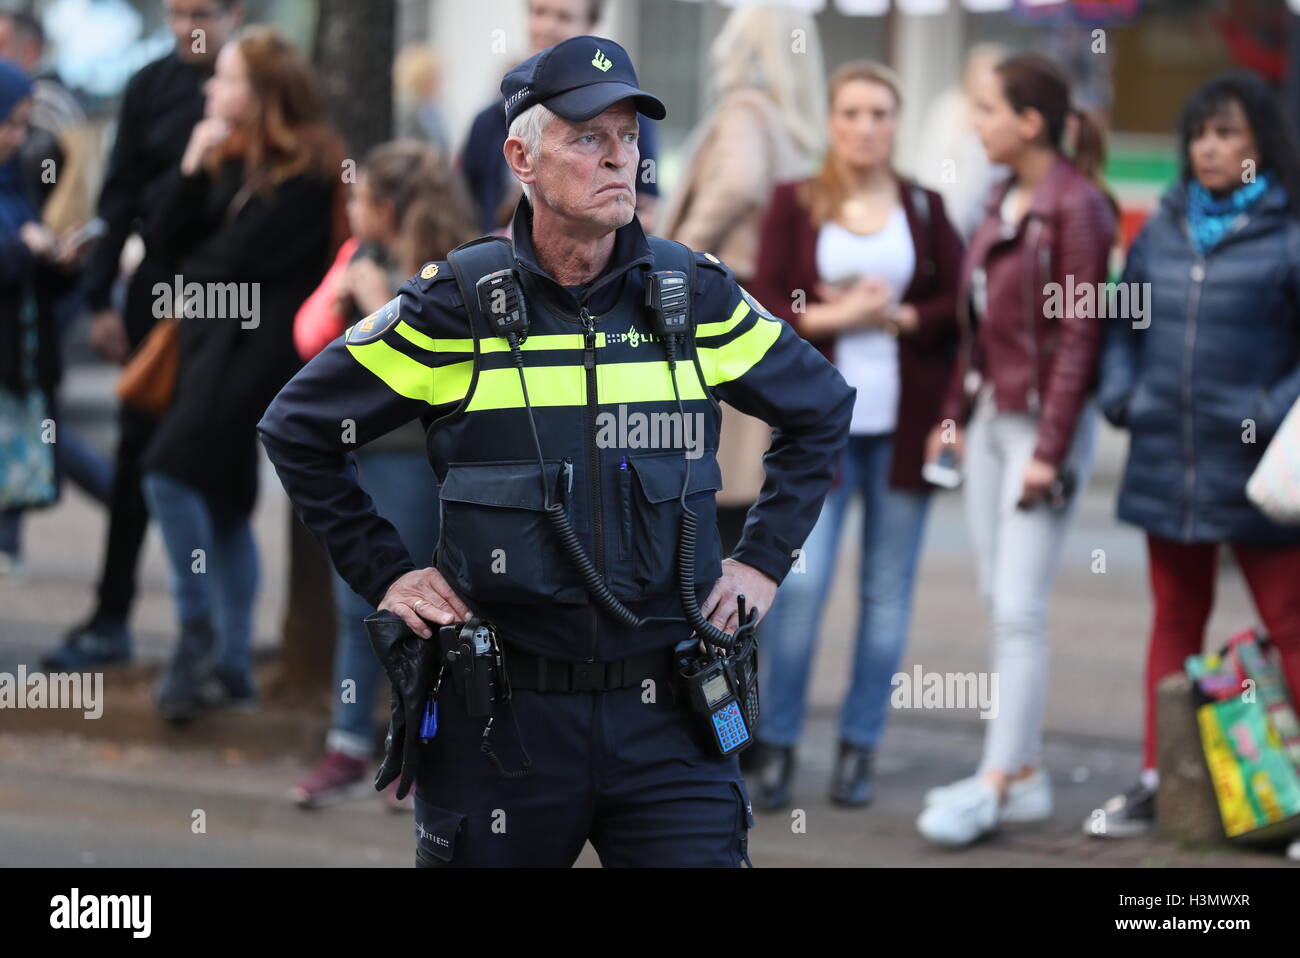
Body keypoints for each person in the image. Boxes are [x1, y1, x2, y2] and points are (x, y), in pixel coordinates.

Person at [259, 35, 853, 867]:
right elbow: (296, 427)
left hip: (670, 715)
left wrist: (761, 562)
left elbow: (823, 407)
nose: (622, 161)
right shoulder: (455, 306)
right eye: (589, 138)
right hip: (500, 721)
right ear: (521, 158)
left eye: (630, 137)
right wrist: (386, 573)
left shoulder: (691, 296)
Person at [743, 61, 963, 810]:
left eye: (880, 113)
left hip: (902, 432)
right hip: (817, 436)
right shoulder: (795, 203)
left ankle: (858, 748)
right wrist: (838, 317)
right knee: (798, 590)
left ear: (896, 124)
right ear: (831, 122)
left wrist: (899, 318)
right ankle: (774, 745)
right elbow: (763, 301)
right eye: (852, 113)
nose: (866, 127)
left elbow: (957, 310)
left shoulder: (925, 208)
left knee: (887, 597)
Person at [1089, 71, 1300, 838]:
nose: (1209, 149)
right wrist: (1123, 395)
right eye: (1200, 135)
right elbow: (1119, 320)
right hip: (1165, 461)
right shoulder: (1164, 227)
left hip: (1263, 474)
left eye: (1228, 133)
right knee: (1175, 623)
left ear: (1259, 144)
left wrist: (1264, 412)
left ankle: (1293, 798)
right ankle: (1162, 782)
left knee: (1291, 623)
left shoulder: (1288, 232)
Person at [917, 53, 1116, 847]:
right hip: (993, 422)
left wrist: (1051, 450)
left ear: (1030, 122)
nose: (976, 121)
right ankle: (1023, 774)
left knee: (1021, 611)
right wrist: (954, 415)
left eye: (989, 109)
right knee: (1002, 602)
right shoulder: (1001, 197)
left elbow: (1080, 337)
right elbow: (975, 323)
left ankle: (998, 780)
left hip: (1042, 432)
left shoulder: (1078, 208)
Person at [140, 26, 342, 722]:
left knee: (167, 472)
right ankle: (232, 664)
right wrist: (193, 167)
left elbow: (231, 260)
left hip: (256, 358)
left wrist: (194, 266)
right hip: (208, 347)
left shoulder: (312, 170)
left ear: (260, 95)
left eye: (224, 78)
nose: (210, 89)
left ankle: (196, 639)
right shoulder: (226, 155)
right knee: (226, 502)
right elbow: (165, 242)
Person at [43, 0, 245, 672]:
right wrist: (100, 295)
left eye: (203, 12)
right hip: (156, 299)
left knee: (217, 465)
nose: (189, 27)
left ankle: (223, 639)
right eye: (176, 12)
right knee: (136, 456)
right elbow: (118, 194)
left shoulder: (258, 85)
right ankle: (112, 615)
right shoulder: (150, 85)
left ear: (234, 13)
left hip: (235, 307)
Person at [290, 141, 477, 809]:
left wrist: (380, 309)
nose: (348, 207)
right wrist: (352, 293)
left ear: (388, 209)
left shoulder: (452, 272)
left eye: (357, 198)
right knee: (362, 601)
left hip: (415, 457)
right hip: (364, 452)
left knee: (417, 605)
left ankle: (418, 749)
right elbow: (307, 336)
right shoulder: (360, 257)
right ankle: (353, 744)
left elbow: (446, 372)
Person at [659, 2, 825, 557]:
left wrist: (674, 254)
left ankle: (716, 636)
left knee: (713, 504)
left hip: (717, 304)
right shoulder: (792, 124)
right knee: (743, 502)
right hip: (759, 306)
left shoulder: (745, 110)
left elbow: (740, 184)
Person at [458, 0, 659, 234]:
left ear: (590, 25)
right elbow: (467, 207)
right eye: (539, 12)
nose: (547, 26)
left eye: (564, 17)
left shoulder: (626, 115)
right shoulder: (489, 121)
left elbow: (646, 208)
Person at [0, 58, 83, 575]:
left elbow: (35, 278)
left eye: (23, 123)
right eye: (9, 122)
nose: (17, 136)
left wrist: (59, 259)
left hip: (20, 366)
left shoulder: (17, 182)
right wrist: (21, 250)